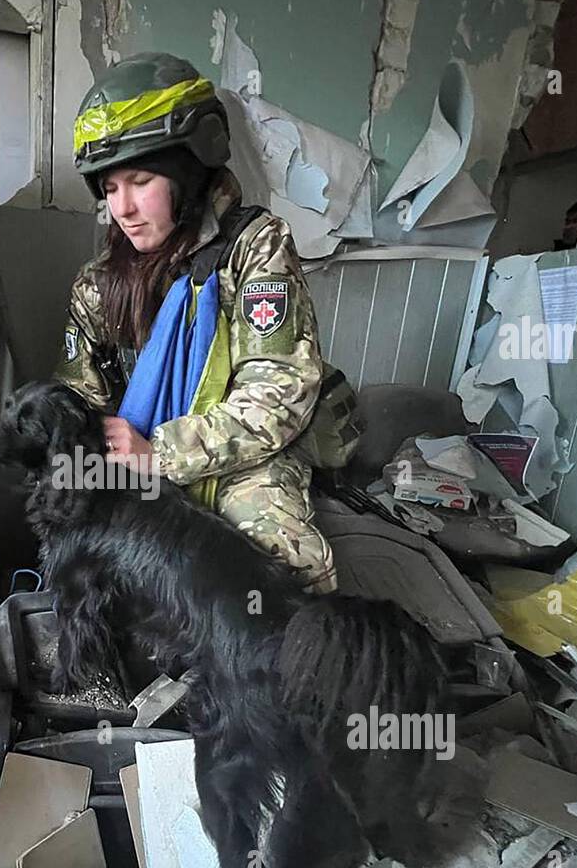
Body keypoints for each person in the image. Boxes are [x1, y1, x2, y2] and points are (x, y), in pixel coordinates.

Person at [51, 52, 361, 595]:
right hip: (125, 457)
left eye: (140, 180)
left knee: (288, 571)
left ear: (189, 169)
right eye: (109, 187)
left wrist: (161, 454)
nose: (122, 207)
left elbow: (276, 399)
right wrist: (88, 460)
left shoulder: (254, 251)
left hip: (237, 456)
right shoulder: (98, 284)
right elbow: (78, 399)